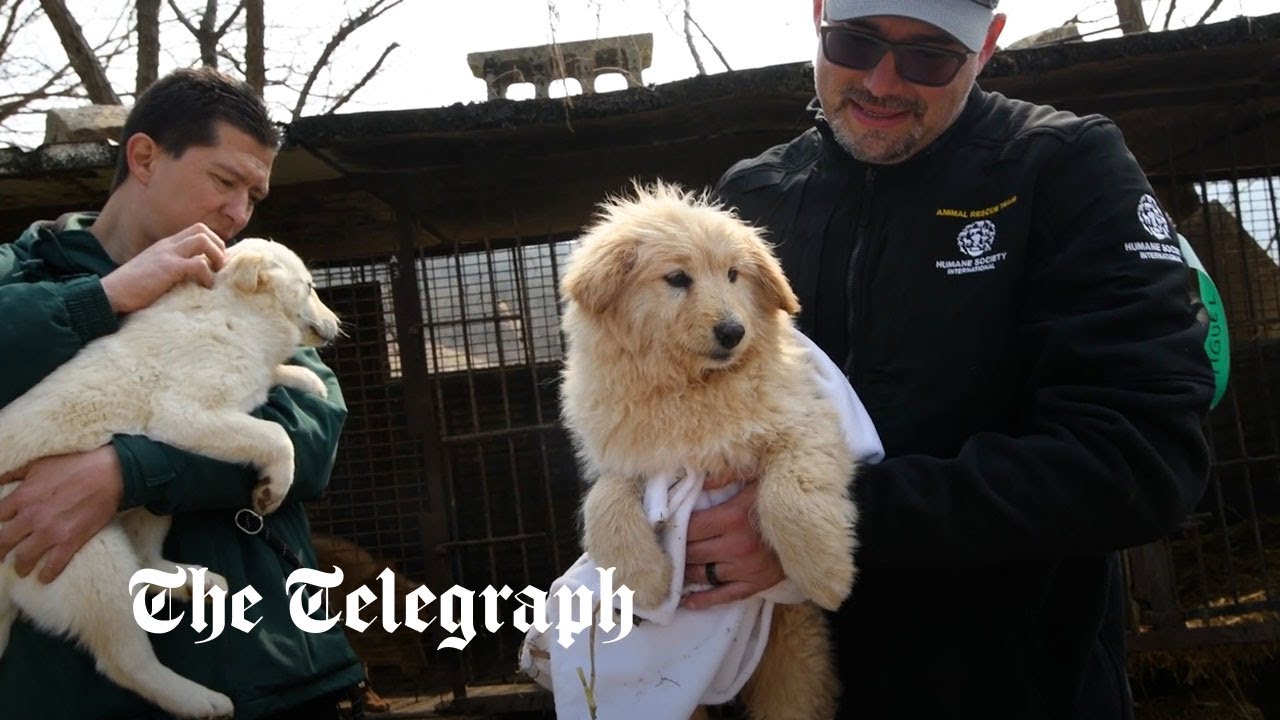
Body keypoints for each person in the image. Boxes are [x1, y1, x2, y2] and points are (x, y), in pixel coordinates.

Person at [681, 1, 1217, 718]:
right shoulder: (752, 198)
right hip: (789, 682)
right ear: (817, 16)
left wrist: (817, 523)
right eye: (854, 42)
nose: (880, 80)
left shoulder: (1062, 168)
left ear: (988, 45)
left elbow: (1141, 458)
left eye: (929, 56)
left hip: (1009, 685)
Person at [0, 67, 365, 719]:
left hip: (261, 675)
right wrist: (102, 298)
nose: (238, 213)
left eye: (253, 195)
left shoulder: (246, 283)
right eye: (225, 182)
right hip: (69, 694)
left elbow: (310, 428)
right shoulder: (22, 273)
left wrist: (129, 471)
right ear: (143, 157)